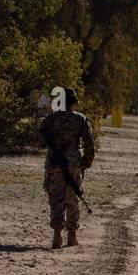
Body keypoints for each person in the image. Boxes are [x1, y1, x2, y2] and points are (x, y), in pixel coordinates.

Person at [38, 88, 95, 248]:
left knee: (55, 197)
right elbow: (90, 144)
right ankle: (72, 236)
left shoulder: (49, 120)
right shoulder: (80, 119)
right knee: (73, 197)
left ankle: (57, 235)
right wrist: (85, 162)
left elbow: (39, 142)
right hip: (73, 162)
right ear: (73, 102)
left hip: (54, 162)